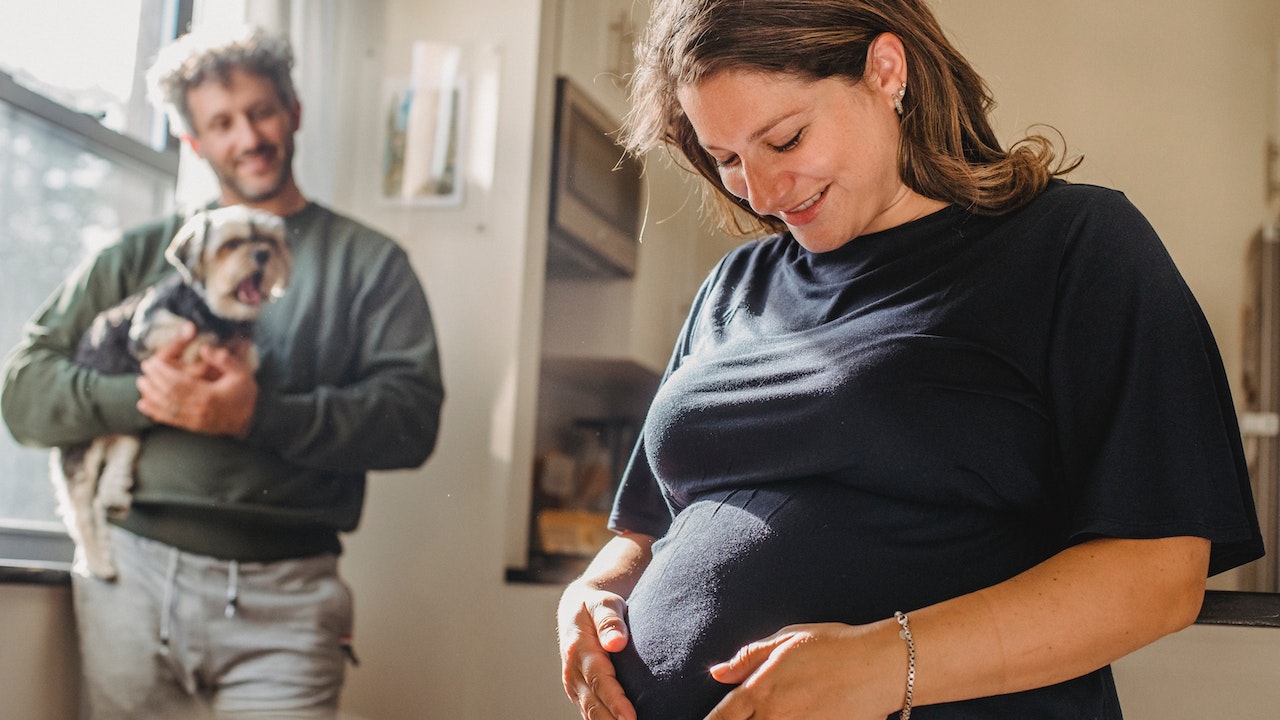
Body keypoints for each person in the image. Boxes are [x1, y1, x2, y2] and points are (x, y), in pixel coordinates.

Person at [555, 1, 1264, 719]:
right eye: (728, 159)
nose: (762, 193)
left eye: (786, 138)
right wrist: (593, 594)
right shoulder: (733, 286)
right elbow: (644, 532)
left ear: (886, 71)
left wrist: (880, 664)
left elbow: (1160, 576)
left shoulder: (1077, 245)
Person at [0, 25, 444, 719]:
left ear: (294, 112)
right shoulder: (139, 255)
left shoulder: (371, 265)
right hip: (130, 582)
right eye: (222, 122)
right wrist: (150, 396)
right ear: (193, 141)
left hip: (290, 603)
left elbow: (411, 422)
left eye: (262, 112)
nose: (249, 137)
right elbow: (24, 395)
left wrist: (253, 414)